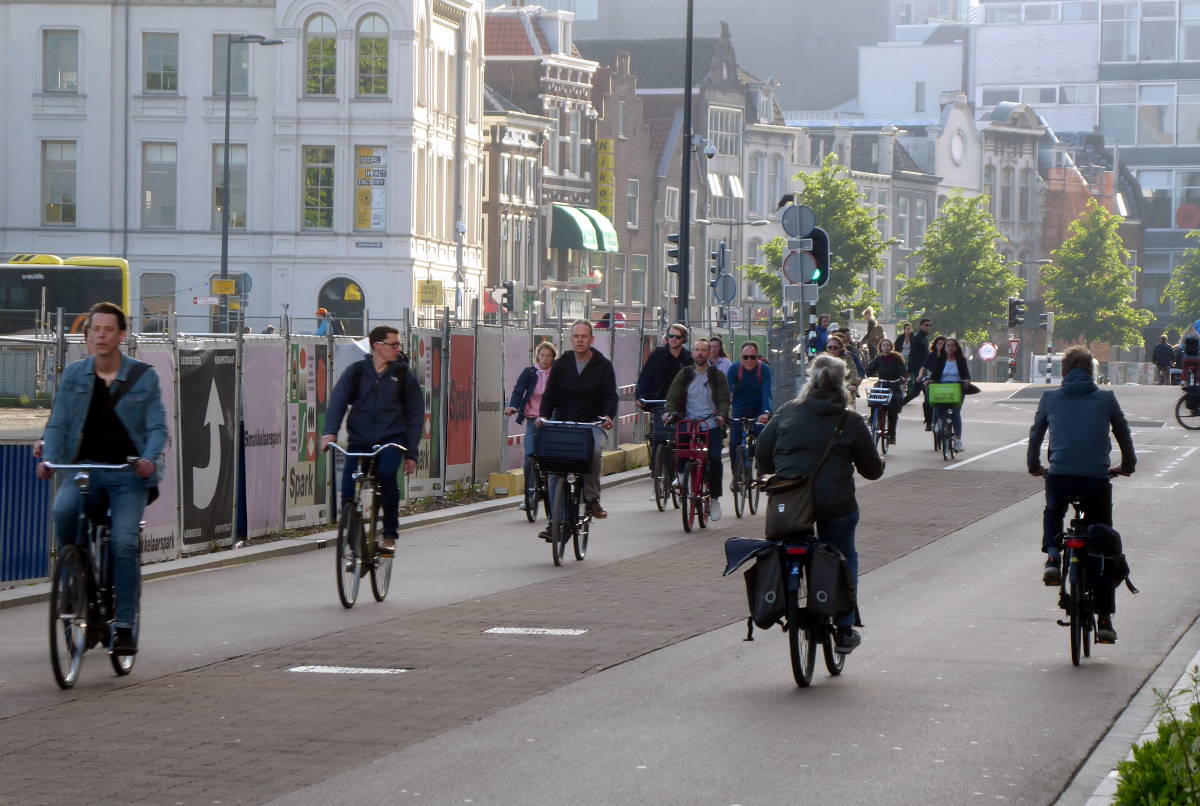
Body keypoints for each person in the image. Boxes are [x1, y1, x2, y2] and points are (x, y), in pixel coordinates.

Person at [38, 302, 169, 656]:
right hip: (83, 471)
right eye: (95, 329)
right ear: (87, 336)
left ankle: (124, 624)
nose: (101, 335)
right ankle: (75, 577)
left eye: (108, 330)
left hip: (127, 475)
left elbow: (158, 427)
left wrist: (148, 458)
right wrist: (49, 456)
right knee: (63, 513)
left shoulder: (144, 376)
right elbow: (58, 423)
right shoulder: (75, 376)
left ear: (121, 336)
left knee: (124, 543)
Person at [756, 354, 884, 653]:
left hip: (789, 501)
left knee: (788, 545)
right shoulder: (849, 421)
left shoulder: (788, 411)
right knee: (843, 554)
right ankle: (843, 628)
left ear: (809, 379)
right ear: (842, 383)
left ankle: (786, 593)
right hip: (835, 505)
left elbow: (763, 454)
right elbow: (872, 471)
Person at [1028, 345, 1136, 643]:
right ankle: (1104, 619)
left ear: (1063, 372)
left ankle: (1052, 557)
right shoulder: (1105, 398)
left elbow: (1036, 433)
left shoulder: (1050, 397)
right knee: (1102, 541)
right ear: (1091, 371)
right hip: (1095, 479)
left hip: (1061, 475)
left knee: (1053, 510)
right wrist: (1127, 465)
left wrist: (1035, 465)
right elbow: (1123, 433)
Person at [322, 325, 424, 557]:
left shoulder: (403, 376)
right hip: (359, 441)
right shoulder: (357, 372)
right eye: (394, 344)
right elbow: (337, 402)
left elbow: (415, 417)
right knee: (348, 488)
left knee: (387, 476)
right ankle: (353, 536)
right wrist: (330, 433)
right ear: (377, 346)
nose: (398, 349)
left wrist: (411, 453)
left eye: (399, 344)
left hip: (390, 441)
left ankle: (389, 535)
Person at [539, 319, 618, 528]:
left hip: (592, 424)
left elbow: (610, 395)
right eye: (576, 336)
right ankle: (554, 519)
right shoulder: (562, 363)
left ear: (591, 339)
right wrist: (543, 416)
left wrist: (608, 416)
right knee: (553, 465)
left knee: (593, 453)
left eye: (584, 336)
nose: (580, 340)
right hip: (564, 423)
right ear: (570, 338)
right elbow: (550, 394)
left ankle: (592, 499)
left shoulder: (603, 366)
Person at [665, 339, 731, 521]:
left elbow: (725, 399)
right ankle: (681, 476)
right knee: (681, 448)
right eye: (697, 350)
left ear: (709, 353)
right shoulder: (684, 374)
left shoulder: (717, 376)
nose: (700, 353)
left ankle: (715, 499)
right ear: (692, 353)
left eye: (704, 350)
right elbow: (672, 395)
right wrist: (670, 413)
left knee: (716, 459)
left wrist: (722, 415)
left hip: (710, 423)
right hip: (689, 421)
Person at [505, 341, 557, 529]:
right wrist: (513, 406)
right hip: (531, 420)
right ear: (537, 356)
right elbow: (519, 391)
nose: (545, 359)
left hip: (550, 421)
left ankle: (552, 497)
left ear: (553, 358)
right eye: (542, 355)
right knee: (529, 457)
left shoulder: (556, 375)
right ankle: (529, 494)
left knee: (550, 460)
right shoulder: (529, 373)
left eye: (549, 356)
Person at [726, 340, 773, 487]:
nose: (749, 360)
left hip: (759, 409)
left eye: (753, 357)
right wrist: (723, 412)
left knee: (761, 439)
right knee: (734, 443)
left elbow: (767, 392)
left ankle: (760, 471)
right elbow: (727, 392)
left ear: (757, 357)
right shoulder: (734, 369)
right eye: (745, 357)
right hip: (739, 408)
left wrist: (766, 412)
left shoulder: (764, 369)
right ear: (740, 357)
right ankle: (736, 475)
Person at [926, 337, 970, 452]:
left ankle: (958, 440)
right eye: (948, 346)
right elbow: (934, 374)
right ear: (945, 348)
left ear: (956, 348)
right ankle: (938, 421)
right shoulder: (940, 359)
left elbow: (966, 375)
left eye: (952, 346)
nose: (950, 348)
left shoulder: (961, 360)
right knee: (938, 404)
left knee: (955, 412)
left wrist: (966, 381)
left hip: (957, 388)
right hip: (942, 388)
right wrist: (929, 380)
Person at [635, 323, 692, 409]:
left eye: (677, 337)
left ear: (683, 339)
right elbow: (644, 378)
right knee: (659, 421)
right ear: (667, 337)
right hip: (659, 404)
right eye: (671, 336)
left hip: (684, 406)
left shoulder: (689, 358)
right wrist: (640, 397)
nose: (673, 339)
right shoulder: (656, 356)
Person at [864, 337, 908, 444]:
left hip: (894, 386)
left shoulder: (897, 359)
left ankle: (892, 434)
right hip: (881, 385)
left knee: (893, 409)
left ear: (891, 347)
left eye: (888, 345)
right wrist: (865, 374)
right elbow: (869, 370)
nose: (886, 347)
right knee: (873, 397)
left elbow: (903, 372)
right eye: (883, 345)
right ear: (880, 347)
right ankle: (873, 418)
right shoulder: (878, 359)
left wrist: (902, 377)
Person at [915, 334, 947, 431]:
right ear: (935, 345)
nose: (941, 346)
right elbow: (924, 367)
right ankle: (929, 422)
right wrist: (920, 375)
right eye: (939, 344)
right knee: (928, 399)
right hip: (933, 381)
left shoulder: (950, 356)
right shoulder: (932, 355)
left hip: (947, 382)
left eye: (943, 344)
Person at [902, 318, 933, 408]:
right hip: (918, 370)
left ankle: (897, 406)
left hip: (923, 368)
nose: (928, 327)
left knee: (915, 392)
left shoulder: (925, 338)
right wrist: (911, 371)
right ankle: (929, 418)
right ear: (921, 326)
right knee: (927, 393)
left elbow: (926, 355)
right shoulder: (916, 338)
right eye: (926, 325)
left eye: (929, 325)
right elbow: (912, 354)